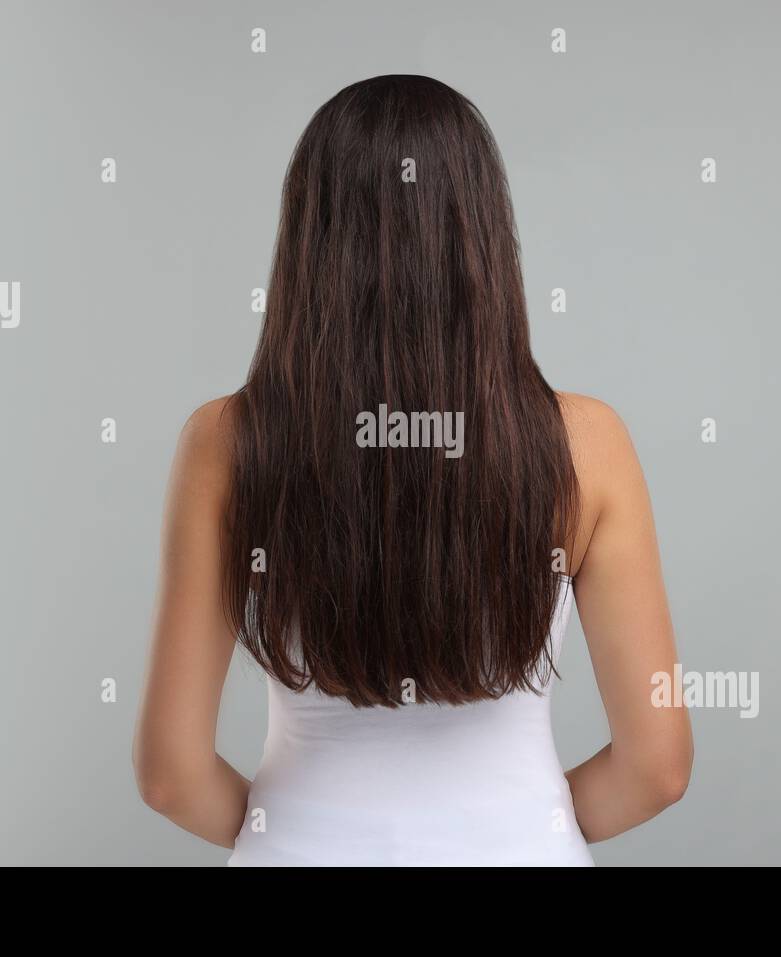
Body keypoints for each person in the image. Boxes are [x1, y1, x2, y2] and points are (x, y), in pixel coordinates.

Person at [134, 75, 693, 866]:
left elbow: (170, 775)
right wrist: (519, 827)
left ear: (309, 238)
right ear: (485, 237)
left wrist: (305, 832)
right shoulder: (587, 444)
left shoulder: (225, 444)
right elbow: (658, 767)